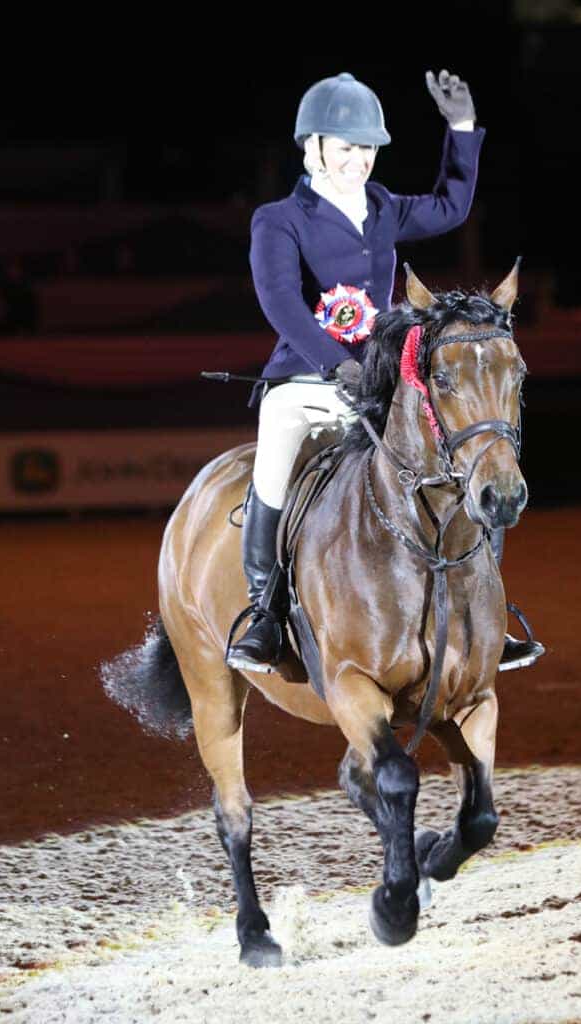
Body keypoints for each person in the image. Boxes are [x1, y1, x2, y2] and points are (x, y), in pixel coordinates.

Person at [227, 69, 544, 675]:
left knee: (462, 456)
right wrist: (335, 363)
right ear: (313, 147)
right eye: (347, 148)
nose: (359, 161)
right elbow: (280, 302)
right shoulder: (278, 218)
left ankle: (484, 609)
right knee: (274, 457)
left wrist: (461, 127)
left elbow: (451, 206)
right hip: (307, 378)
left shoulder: (383, 208)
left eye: (368, 149)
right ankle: (264, 611)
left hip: (382, 380)